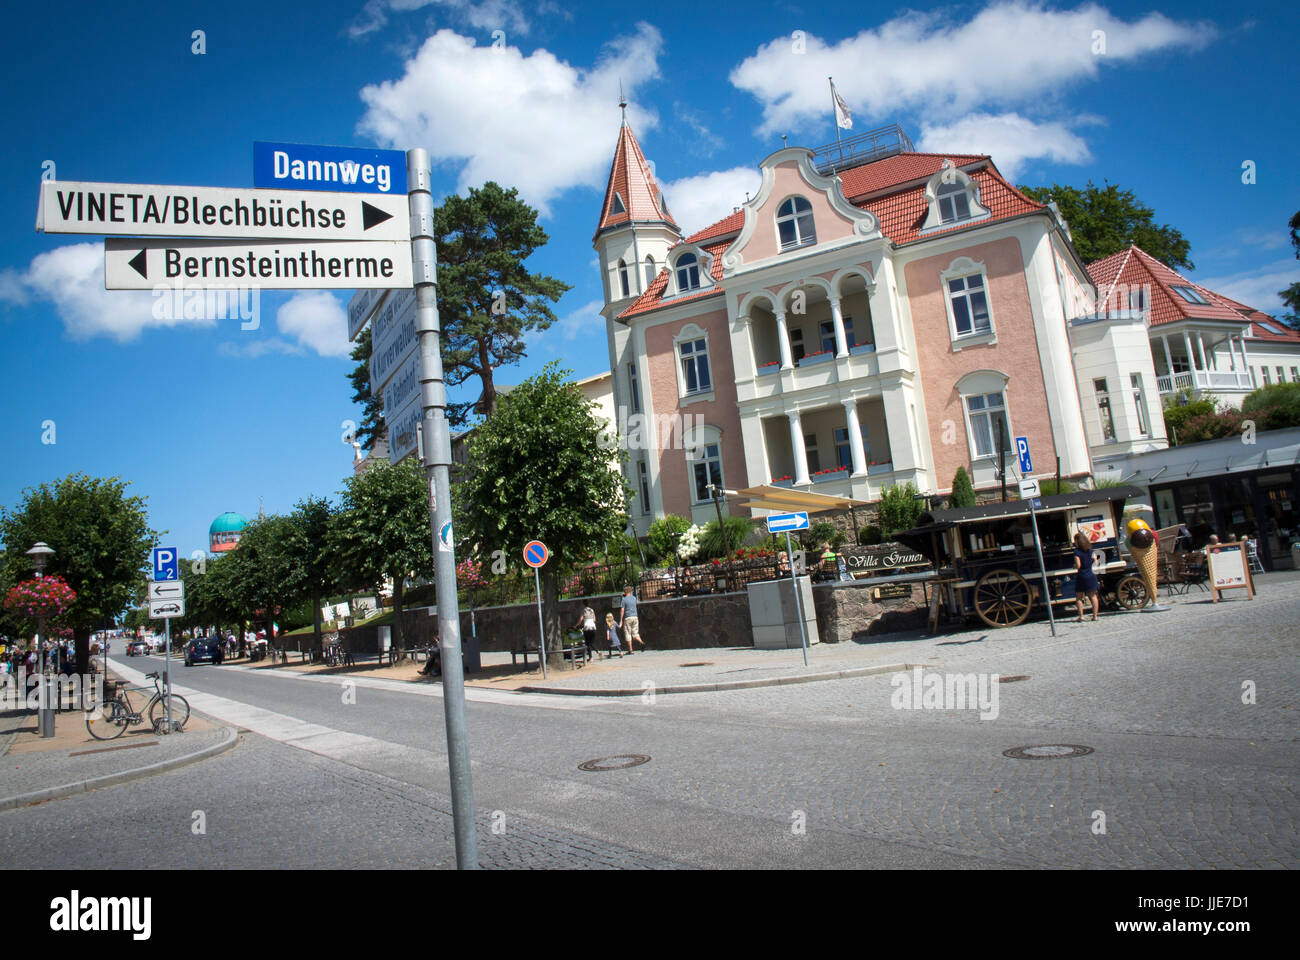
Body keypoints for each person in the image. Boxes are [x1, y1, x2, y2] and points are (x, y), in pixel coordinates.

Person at [1072, 531, 1100, 622]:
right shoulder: (1090, 550)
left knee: (1079, 597)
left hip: (1082, 576)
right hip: (1091, 575)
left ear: (1077, 541)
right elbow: (1096, 561)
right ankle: (1095, 616)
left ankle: (1081, 616)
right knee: (1093, 596)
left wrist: (1074, 566)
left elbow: (1078, 565)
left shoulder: (1077, 551)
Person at [618, 585, 644, 652]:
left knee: (628, 634)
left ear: (625, 591)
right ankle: (641, 642)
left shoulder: (624, 599)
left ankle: (630, 650)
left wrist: (620, 620)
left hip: (628, 617)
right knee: (635, 634)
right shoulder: (634, 598)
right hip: (635, 617)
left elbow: (622, 610)